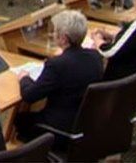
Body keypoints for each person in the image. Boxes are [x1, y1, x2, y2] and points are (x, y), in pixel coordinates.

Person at [15, 10, 104, 143]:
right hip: (87, 124)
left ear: (63, 38)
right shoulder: (95, 56)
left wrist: (24, 78)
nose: (53, 35)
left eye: (55, 32)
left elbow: (29, 95)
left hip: (59, 129)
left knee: (20, 119)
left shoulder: (57, 65)